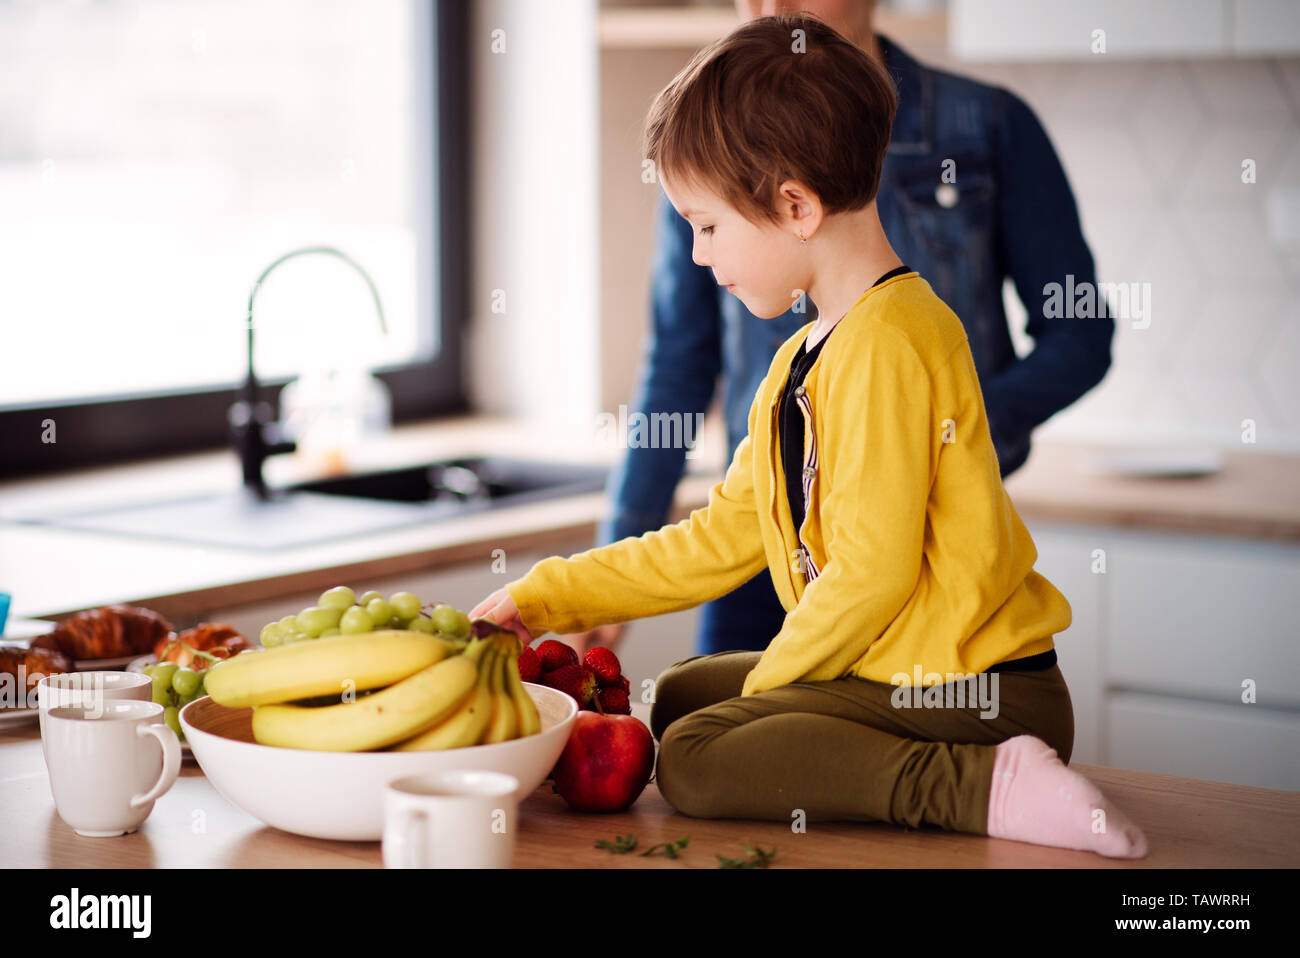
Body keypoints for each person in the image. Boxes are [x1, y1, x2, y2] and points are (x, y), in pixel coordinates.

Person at [472, 14, 1147, 858]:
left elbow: (870, 574)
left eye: (709, 226)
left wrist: (765, 696)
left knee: (697, 759)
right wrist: (544, 595)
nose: (696, 252)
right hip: (899, 669)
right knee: (682, 698)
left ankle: (986, 785)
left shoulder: (891, 340)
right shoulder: (800, 357)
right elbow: (721, 541)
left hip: (977, 691)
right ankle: (905, 755)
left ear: (794, 205)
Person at [567, 0, 1113, 659]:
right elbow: (678, 363)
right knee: (699, 725)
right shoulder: (710, 145)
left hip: (919, 549)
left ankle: (997, 768)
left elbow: (1079, 333)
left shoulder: (991, 127)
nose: (771, 8)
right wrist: (607, 563)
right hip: (759, 538)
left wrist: (928, 445)